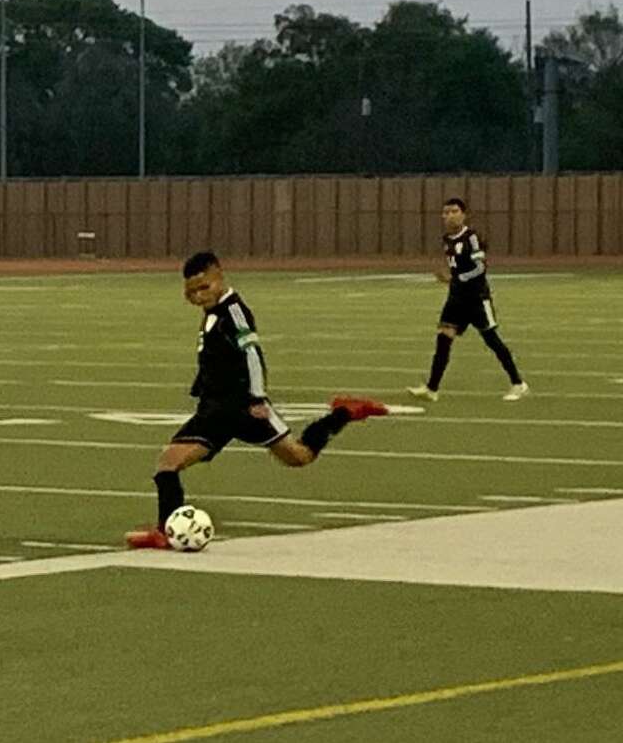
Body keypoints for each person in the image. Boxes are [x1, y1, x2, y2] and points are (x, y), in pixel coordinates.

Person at [126, 251, 388, 549]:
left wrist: (258, 397)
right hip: (215, 409)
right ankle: (166, 530)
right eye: (191, 292)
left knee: (299, 457)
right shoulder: (213, 313)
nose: (199, 296)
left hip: (244, 407)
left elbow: (251, 355)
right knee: (168, 462)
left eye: (204, 288)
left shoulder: (234, 311)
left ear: (220, 276)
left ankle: (342, 413)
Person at [408, 197, 528, 403]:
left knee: (492, 340)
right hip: (456, 299)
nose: (449, 216)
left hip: (476, 298)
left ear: (463, 214)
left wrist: (455, 278)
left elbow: (480, 268)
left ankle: (518, 383)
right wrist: (450, 282)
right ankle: (432, 389)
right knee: (443, 340)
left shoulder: (471, 237)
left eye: (454, 211)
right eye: (445, 212)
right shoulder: (448, 240)